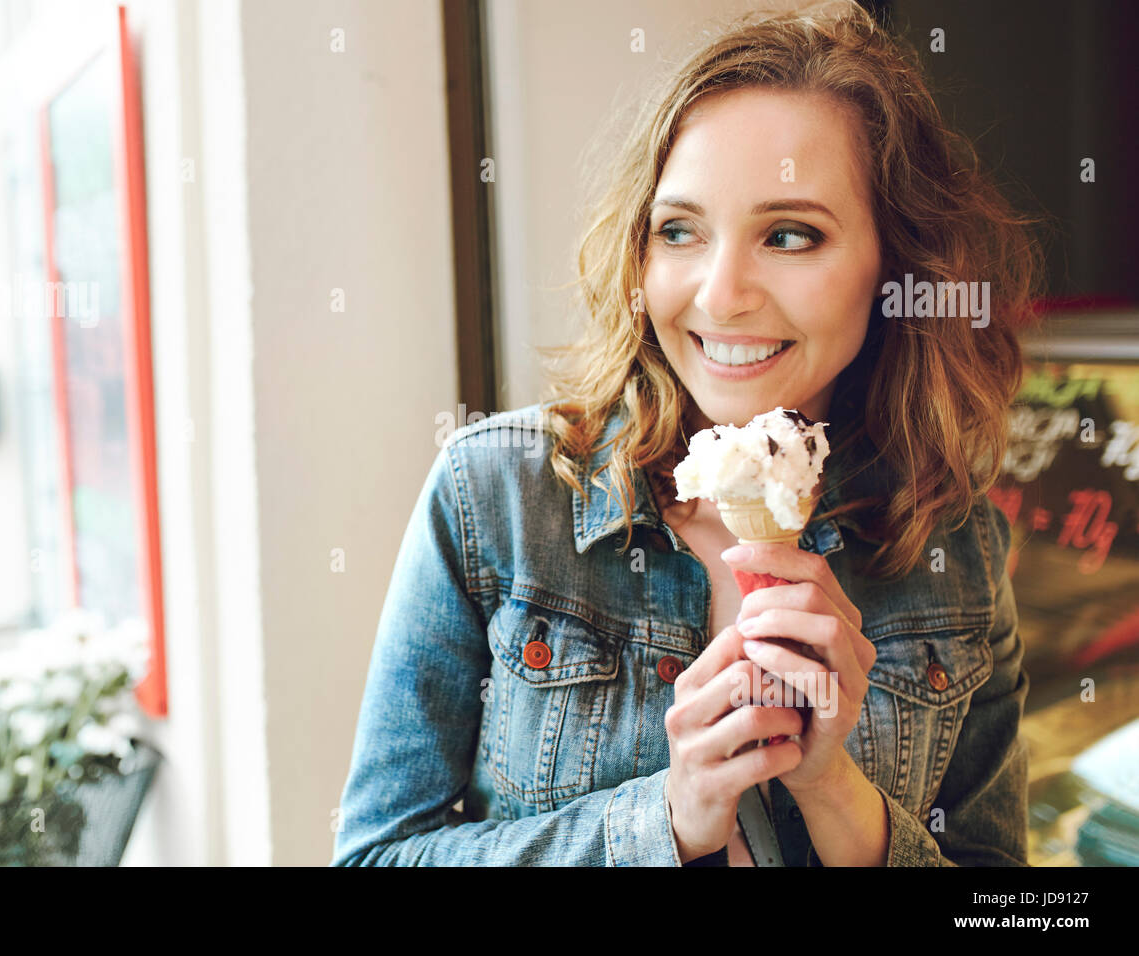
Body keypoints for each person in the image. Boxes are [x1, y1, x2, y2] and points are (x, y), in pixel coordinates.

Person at [331, 3, 1041, 866]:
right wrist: (665, 818)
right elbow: (374, 855)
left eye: (790, 235)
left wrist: (839, 798)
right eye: (680, 231)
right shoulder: (497, 496)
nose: (720, 292)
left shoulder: (954, 547)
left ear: (897, 266)